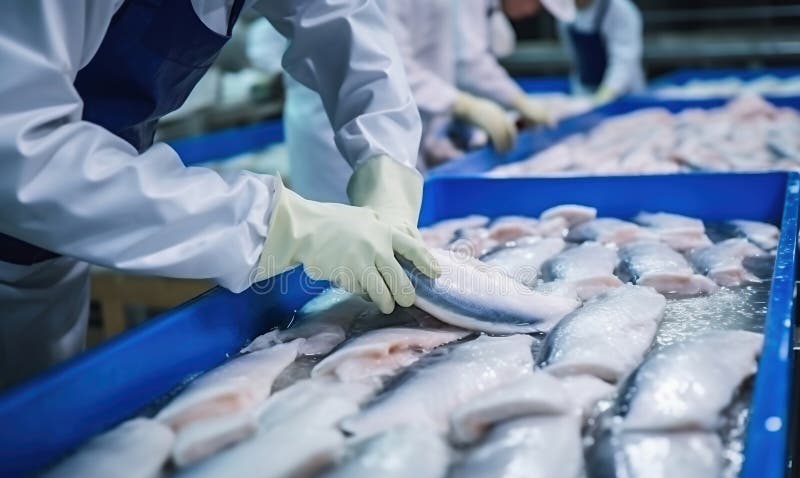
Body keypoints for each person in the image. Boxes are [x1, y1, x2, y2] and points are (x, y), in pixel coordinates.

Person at [0, 0, 438, 388]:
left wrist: (388, 164)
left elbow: (344, 21)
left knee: (34, 443)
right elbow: (18, 149)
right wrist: (276, 221)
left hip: (55, 247)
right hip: (28, 215)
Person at [287, 0, 556, 204]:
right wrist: (460, 104)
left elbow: (460, 56)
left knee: (395, 232)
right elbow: (380, 65)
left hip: (393, 117)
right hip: (337, 125)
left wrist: (513, 98)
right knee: (346, 240)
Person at [555, 0, 645, 102]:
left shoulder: (619, 9)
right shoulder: (563, 10)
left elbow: (624, 60)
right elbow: (573, 55)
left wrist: (606, 93)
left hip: (625, 95)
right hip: (584, 91)